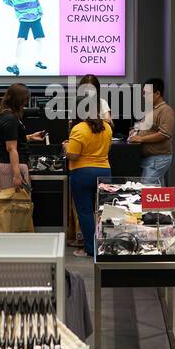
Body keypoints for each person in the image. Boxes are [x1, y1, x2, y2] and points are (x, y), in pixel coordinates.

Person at [0, 82, 46, 231]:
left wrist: (29, 137)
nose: (26, 103)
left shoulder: (6, 115)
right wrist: (16, 174)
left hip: (5, 164)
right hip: (10, 166)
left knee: (1, 200)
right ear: (18, 100)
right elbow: (11, 148)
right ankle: (9, 233)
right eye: (25, 99)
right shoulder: (10, 118)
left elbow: (11, 141)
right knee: (8, 202)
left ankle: (1, 233)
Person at [65, 102, 112, 257]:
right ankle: (107, 246)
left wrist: (66, 147)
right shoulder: (107, 127)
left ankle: (91, 249)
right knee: (103, 212)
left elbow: (73, 155)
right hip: (105, 171)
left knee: (85, 212)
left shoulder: (79, 129)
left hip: (82, 173)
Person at [127, 77, 175, 186]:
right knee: (156, 190)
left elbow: (165, 134)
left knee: (147, 188)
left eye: (146, 93)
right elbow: (142, 125)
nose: (144, 96)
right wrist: (135, 130)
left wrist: (140, 138)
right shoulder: (152, 109)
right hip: (151, 159)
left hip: (158, 158)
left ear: (157, 93)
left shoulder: (166, 110)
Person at [4, 0, 47, 75]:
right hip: (24, 22)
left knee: (39, 41)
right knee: (20, 42)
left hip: (36, 20)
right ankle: (15, 65)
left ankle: (38, 62)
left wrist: (40, 15)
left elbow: (38, 5)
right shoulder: (15, 0)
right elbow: (5, 1)